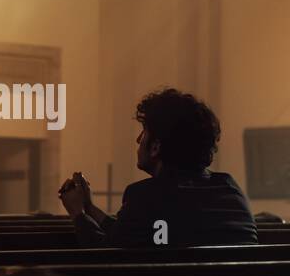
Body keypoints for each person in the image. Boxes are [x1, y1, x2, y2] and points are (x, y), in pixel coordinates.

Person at [59, 88, 257, 247]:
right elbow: (129, 232)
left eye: (144, 133)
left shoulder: (145, 196)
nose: (138, 140)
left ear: (155, 147)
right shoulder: (230, 190)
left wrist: (78, 214)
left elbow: (108, 254)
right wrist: (91, 208)